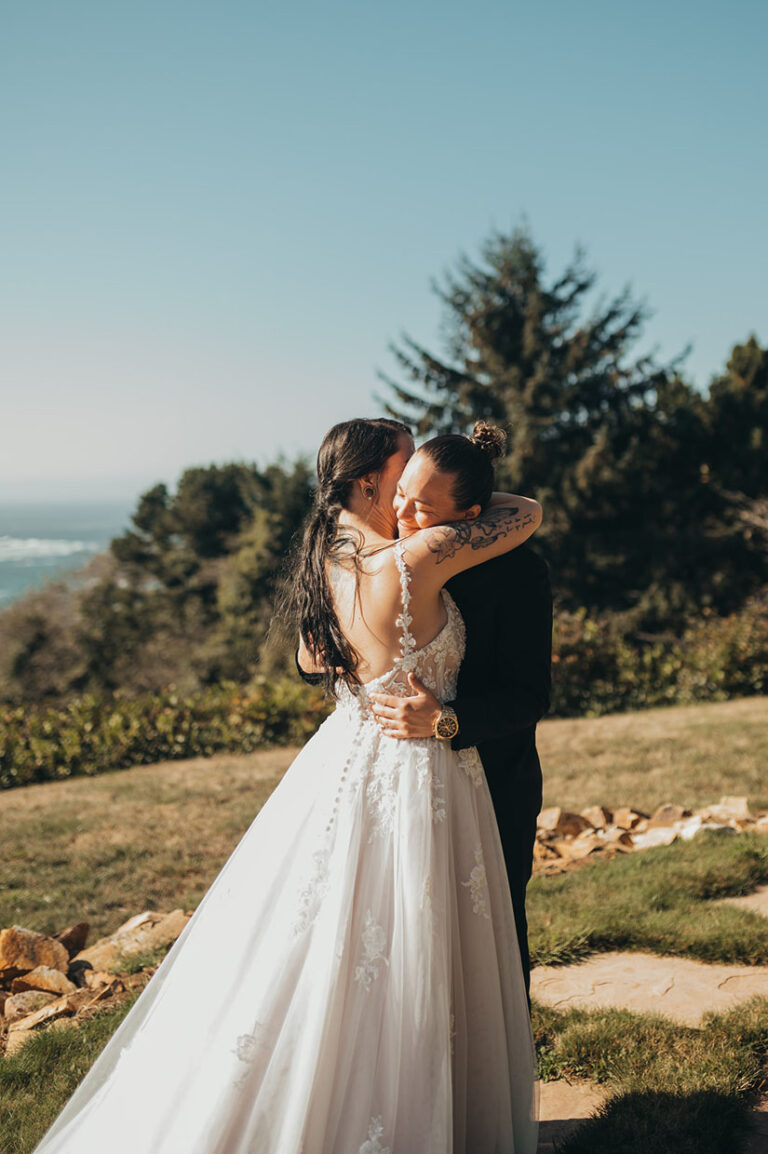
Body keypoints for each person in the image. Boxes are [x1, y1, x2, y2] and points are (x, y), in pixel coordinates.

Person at [32, 416, 542, 1154]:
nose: (407, 492)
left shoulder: (328, 553)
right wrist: (461, 498)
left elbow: (312, 658)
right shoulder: (419, 557)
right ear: (371, 481)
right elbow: (526, 514)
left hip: (345, 759)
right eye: (401, 475)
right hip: (416, 767)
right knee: (409, 936)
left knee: (322, 931)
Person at [366, 432, 553, 1011]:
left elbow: (529, 696)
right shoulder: (387, 559)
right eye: (401, 494)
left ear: (471, 516)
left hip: (497, 781)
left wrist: (446, 721)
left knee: (495, 928)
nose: (400, 513)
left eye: (422, 507)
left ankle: (499, 1068)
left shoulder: (520, 575)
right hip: (402, 784)